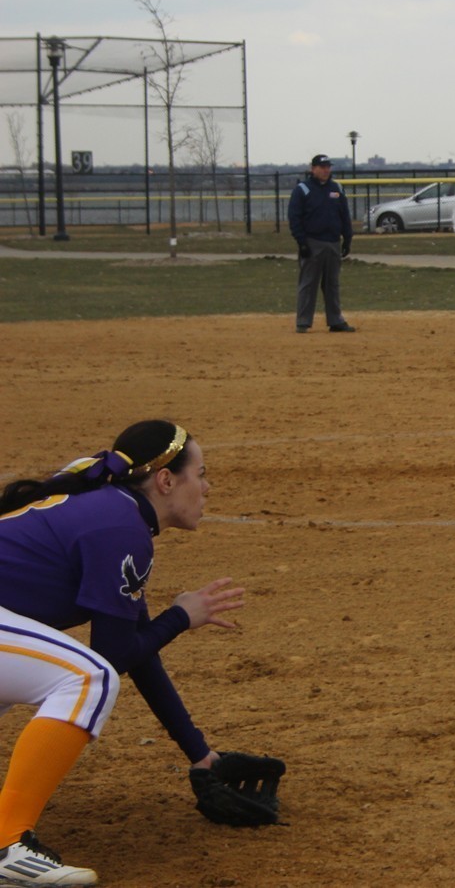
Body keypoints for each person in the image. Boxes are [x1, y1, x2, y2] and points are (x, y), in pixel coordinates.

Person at [0, 421, 245, 887]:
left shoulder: (113, 515)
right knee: (86, 678)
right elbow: (112, 658)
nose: (208, 487)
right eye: (201, 473)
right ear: (166, 481)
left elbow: (136, 651)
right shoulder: (120, 527)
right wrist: (181, 618)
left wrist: (200, 755)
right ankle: (6, 845)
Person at [287, 153, 356, 334]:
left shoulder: (336, 188)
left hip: (333, 242)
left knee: (332, 284)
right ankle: (303, 321)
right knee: (308, 283)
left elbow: (344, 215)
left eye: (328, 167)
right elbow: (294, 218)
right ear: (313, 169)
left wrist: (347, 238)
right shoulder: (303, 189)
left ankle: (335, 320)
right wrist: (302, 242)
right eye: (322, 167)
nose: (326, 170)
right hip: (312, 242)